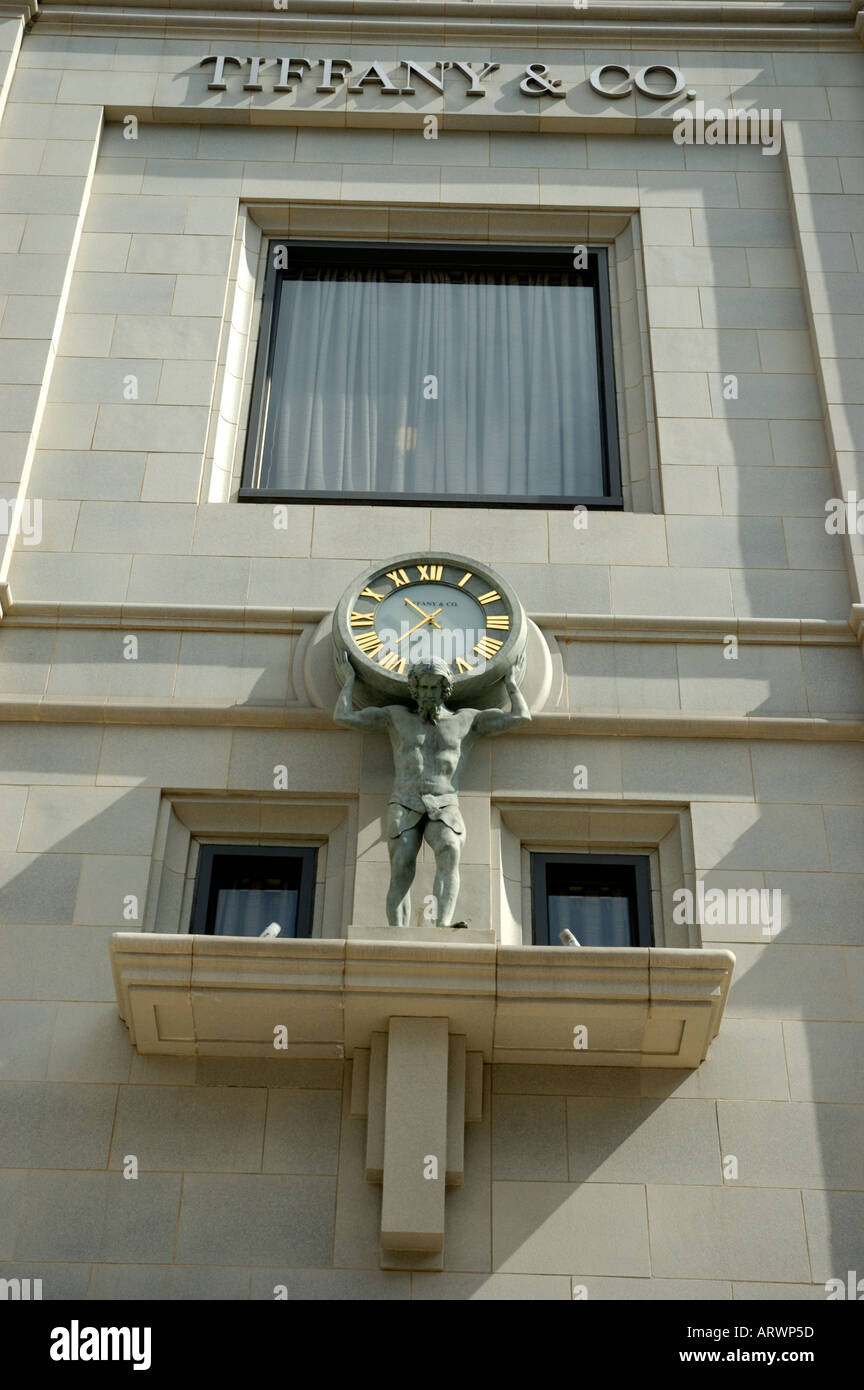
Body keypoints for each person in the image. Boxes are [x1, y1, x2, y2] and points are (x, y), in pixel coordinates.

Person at [334, 651, 530, 926]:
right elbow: (343, 716)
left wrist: (511, 683)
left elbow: (521, 717)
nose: (427, 692)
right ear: (414, 688)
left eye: (433, 687)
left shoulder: (467, 720)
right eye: (423, 686)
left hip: (444, 801)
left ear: (444, 689)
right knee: (401, 863)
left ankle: (442, 925)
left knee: (450, 849)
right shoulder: (396, 717)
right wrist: (349, 680)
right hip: (405, 800)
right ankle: (397, 932)